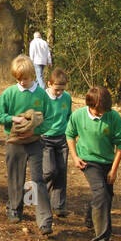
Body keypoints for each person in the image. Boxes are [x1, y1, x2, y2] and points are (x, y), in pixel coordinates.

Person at [0, 55, 53, 235]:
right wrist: (13, 118)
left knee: (37, 179)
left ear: (32, 74)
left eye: (25, 78)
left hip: (34, 142)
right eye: (18, 79)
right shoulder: (10, 93)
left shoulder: (41, 94)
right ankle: (15, 208)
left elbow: (50, 119)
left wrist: (36, 131)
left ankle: (44, 220)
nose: (22, 82)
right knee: (16, 177)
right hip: (14, 142)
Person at [65, 86, 121, 241]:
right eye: (98, 112)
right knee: (101, 194)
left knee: (106, 196)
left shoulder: (113, 117)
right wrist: (75, 157)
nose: (101, 115)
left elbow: (120, 144)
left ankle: (91, 213)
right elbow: (70, 134)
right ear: (90, 106)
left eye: (103, 112)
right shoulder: (78, 116)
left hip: (107, 161)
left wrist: (114, 170)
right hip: (89, 161)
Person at [40, 69, 72, 217]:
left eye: (62, 90)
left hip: (62, 138)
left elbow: (69, 117)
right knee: (49, 171)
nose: (59, 92)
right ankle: (41, 198)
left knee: (61, 171)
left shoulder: (66, 98)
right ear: (49, 84)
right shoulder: (42, 97)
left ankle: (58, 205)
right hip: (45, 138)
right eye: (56, 89)